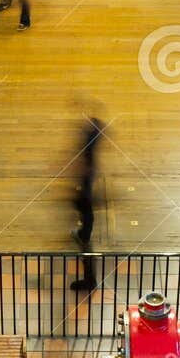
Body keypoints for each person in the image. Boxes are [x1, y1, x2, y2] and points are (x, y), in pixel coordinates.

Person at [69, 111, 106, 292]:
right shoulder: (89, 161)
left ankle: (90, 281)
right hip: (86, 211)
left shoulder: (87, 166)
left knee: (86, 245)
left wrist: (77, 201)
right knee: (84, 236)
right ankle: (89, 279)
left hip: (87, 211)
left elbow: (86, 197)